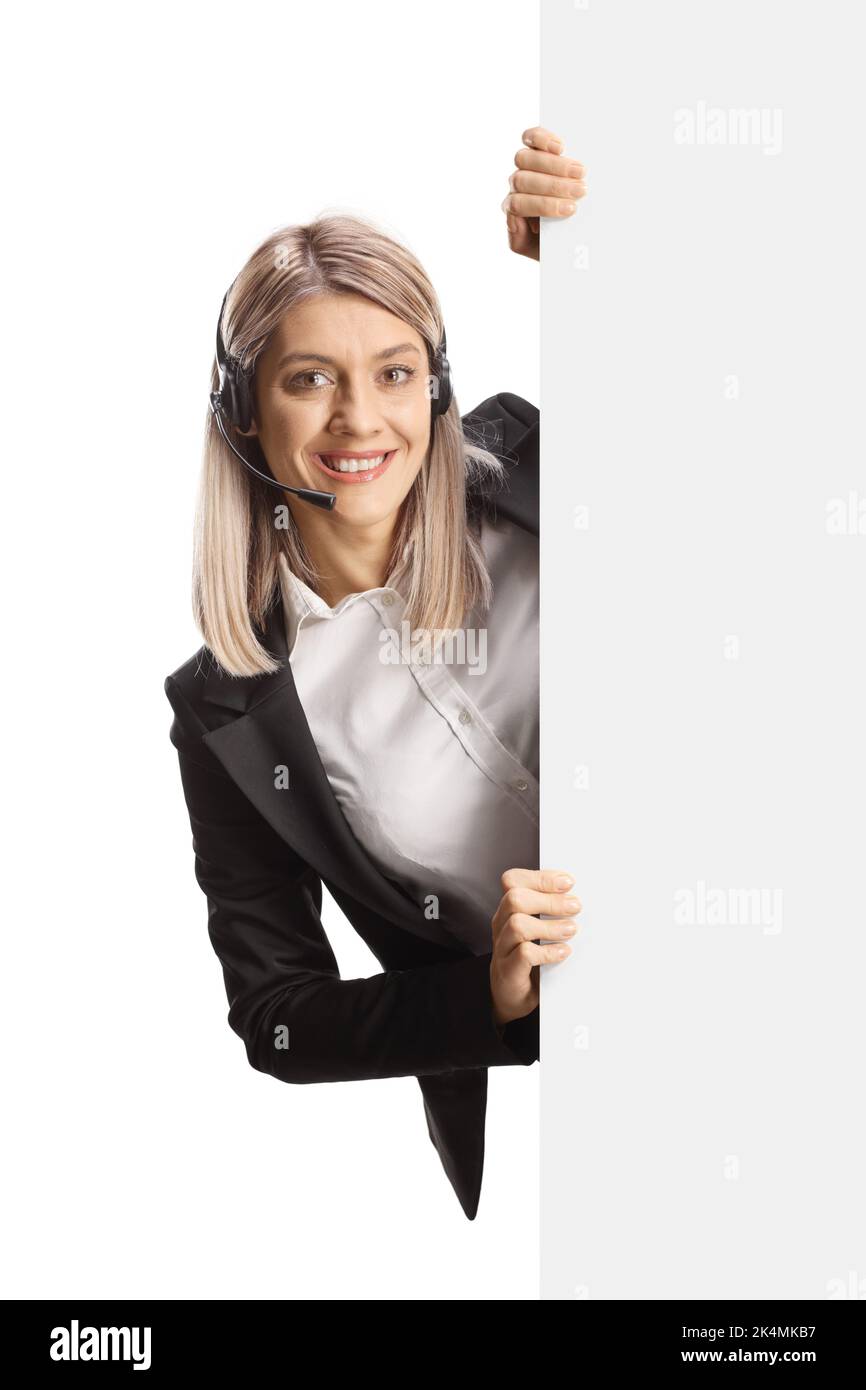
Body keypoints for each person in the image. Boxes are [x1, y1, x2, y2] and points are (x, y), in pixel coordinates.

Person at [165, 127, 587, 1219]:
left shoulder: (542, 469)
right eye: (310, 380)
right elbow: (280, 1016)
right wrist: (489, 994)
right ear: (243, 411)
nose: (361, 419)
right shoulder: (230, 707)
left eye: (395, 373)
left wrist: (602, 269)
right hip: (585, 1073)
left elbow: (751, 437)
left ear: (435, 388)